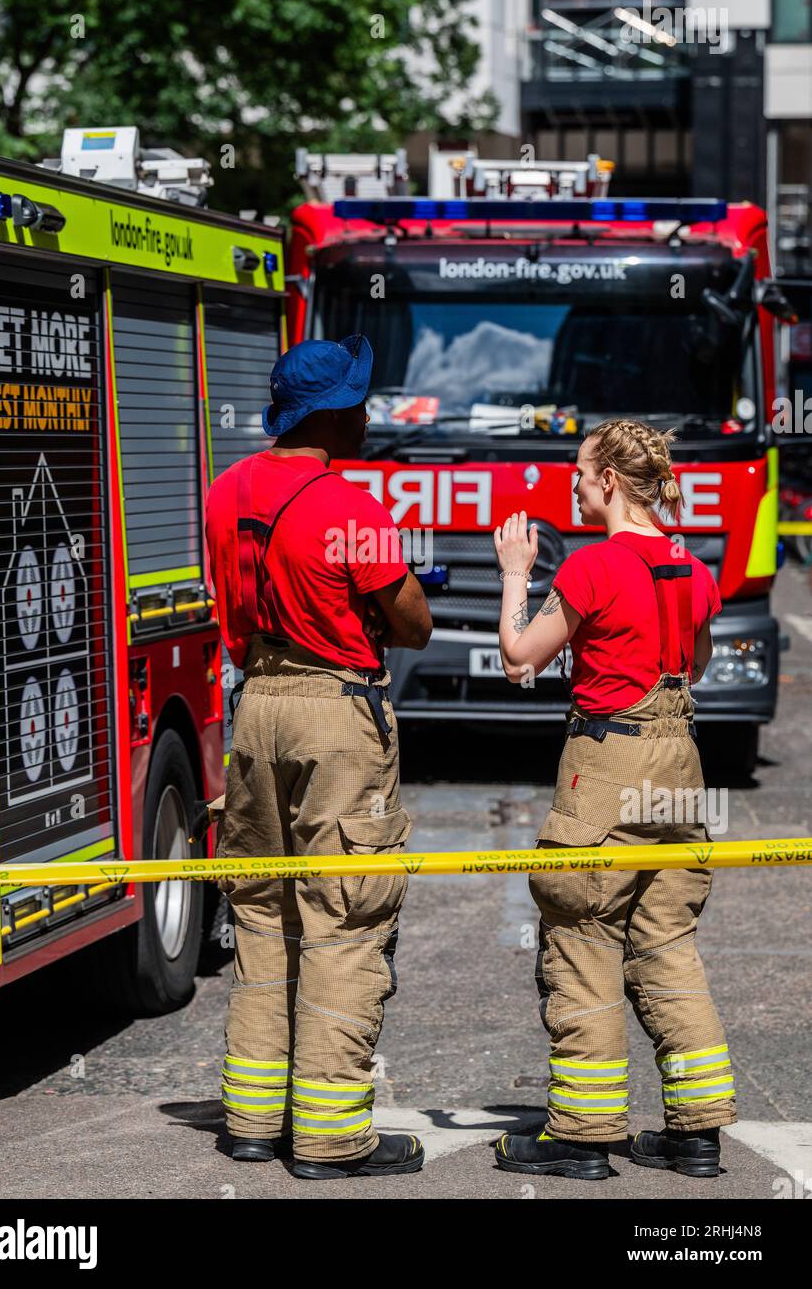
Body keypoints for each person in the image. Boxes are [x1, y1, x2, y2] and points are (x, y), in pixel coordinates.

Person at [205, 333, 432, 1180]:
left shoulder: (227, 492)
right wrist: (395, 597)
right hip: (335, 714)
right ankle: (334, 1138)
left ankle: (253, 1123)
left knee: (262, 915)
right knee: (346, 918)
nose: (370, 416)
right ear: (334, 415)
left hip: (255, 708)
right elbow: (409, 622)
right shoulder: (353, 508)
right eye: (362, 403)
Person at [491, 418, 736, 1180]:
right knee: (668, 945)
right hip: (682, 767)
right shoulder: (695, 573)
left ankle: (586, 1136)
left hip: (606, 761)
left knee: (584, 937)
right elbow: (690, 663)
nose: (570, 482)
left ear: (608, 483)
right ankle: (696, 1135)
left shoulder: (594, 567)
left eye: (578, 470)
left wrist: (515, 572)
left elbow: (517, 658)